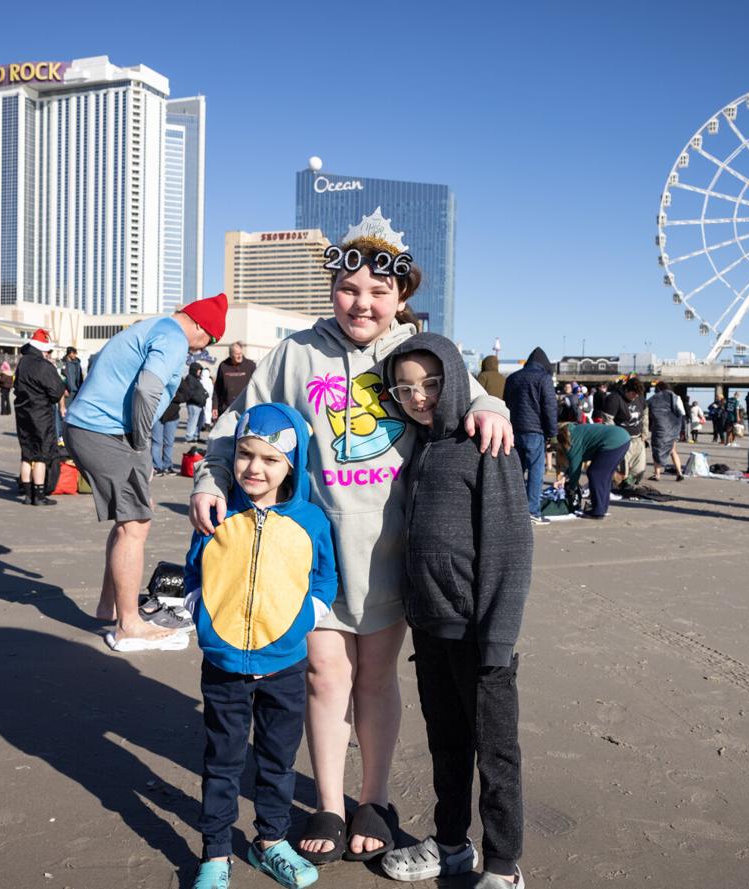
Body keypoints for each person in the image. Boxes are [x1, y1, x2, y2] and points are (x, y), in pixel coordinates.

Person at [188, 208, 512, 865]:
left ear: (401, 296)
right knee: (322, 675)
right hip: (308, 548)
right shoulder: (296, 351)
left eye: (377, 291)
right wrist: (208, 476)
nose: (361, 302)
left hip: (393, 549)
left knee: (375, 675)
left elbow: (478, 397)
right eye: (348, 288)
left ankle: (376, 797)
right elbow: (242, 423)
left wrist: (488, 411)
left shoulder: (416, 352)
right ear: (330, 289)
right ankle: (331, 805)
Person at [378, 335, 530, 888]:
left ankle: (503, 866)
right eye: (407, 388)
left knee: (496, 757)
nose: (420, 397)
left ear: (456, 380)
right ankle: (449, 844)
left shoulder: (486, 444)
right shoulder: (417, 447)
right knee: (446, 745)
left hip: (480, 632)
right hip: (431, 627)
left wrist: (496, 638)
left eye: (432, 384)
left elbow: (510, 547)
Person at [183, 403, 337, 889]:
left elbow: (325, 578)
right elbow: (193, 572)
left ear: (291, 465)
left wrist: (304, 620)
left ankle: (271, 840)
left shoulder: (311, 521)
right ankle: (215, 852)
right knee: (222, 761)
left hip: (286, 663)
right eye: (247, 455)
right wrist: (199, 613)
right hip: (224, 663)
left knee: (277, 761)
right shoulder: (218, 512)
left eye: (270, 460)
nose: (255, 468)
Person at [66, 292, 227, 651]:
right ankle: (128, 624)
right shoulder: (172, 338)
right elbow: (147, 389)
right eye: (211, 341)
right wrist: (141, 448)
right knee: (136, 524)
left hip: (91, 426)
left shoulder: (154, 327)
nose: (203, 349)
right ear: (202, 329)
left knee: (129, 519)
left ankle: (109, 607)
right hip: (104, 431)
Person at [503, 346, 557, 524]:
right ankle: (532, 511)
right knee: (535, 472)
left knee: (515, 472)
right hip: (535, 431)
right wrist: (552, 433)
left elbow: (506, 403)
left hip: (513, 430)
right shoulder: (544, 378)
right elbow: (549, 407)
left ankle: (512, 509)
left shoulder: (512, 378)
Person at [14, 330, 67, 505]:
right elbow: (57, 390)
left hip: (22, 412)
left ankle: (28, 494)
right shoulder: (43, 365)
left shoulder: (22, 363)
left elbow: (16, 386)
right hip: (40, 413)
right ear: (43, 349)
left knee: (26, 454)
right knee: (41, 455)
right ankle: (39, 495)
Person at [553, 420, 631, 520]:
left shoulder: (572, 442)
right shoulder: (575, 432)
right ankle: (601, 508)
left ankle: (597, 511)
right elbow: (575, 464)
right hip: (622, 438)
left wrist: (571, 489)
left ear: (561, 440)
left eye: (555, 447)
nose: (556, 450)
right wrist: (565, 477)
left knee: (595, 474)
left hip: (614, 441)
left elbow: (575, 469)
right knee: (604, 475)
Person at [597, 377, 646, 487]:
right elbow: (608, 421)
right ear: (626, 390)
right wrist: (616, 440)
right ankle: (615, 488)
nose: (636, 397)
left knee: (639, 470)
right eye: (633, 394)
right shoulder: (614, 398)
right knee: (621, 471)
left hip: (638, 439)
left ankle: (628, 487)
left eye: (638, 395)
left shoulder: (639, 397)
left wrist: (645, 432)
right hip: (623, 440)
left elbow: (645, 414)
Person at [646, 380, 685, 481]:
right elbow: (682, 413)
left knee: (657, 450)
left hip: (659, 428)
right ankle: (679, 473)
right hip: (673, 428)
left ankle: (657, 474)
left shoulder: (654, 398)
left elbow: (646, 409)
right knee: (672, 450)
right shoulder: (676, 397)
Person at [212, 341, 257, 421]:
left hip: (245, 408)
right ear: (230, 354)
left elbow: (256, 386)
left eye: (240, 353)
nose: (239, 356)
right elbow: (217, 389)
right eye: (236, 354)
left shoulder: (250, 365)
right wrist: (214, 406)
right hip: (227, 409)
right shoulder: (223, 366)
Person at [183, 364, 209, 443]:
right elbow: (190, 392)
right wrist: (198, 399)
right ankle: (189, 437)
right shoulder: (190, 378)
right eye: (199, 370)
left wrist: (205, 395)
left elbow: (202, 391)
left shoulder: (196, 379)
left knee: (199, 422)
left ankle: (196, 436)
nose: (200, 372)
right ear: (194, 370)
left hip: (199, 405)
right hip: (193, 404)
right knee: (193, 421)